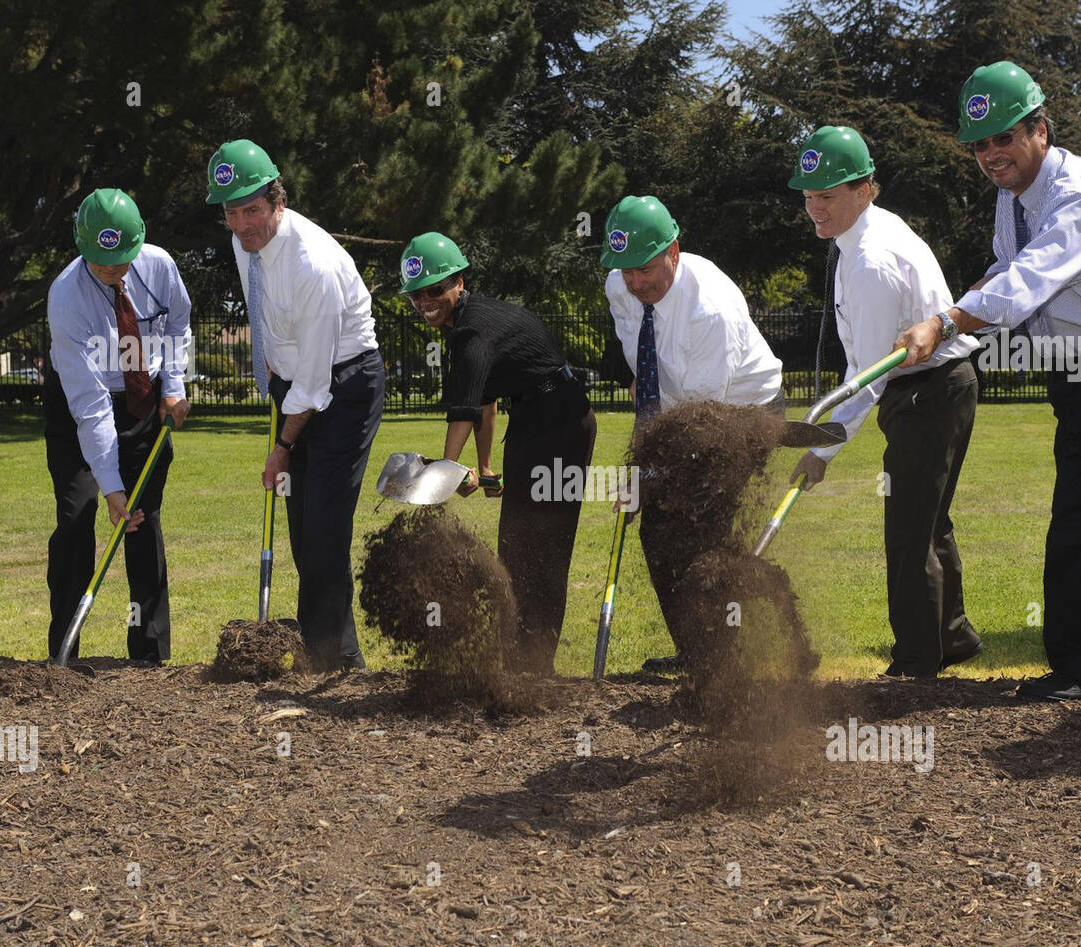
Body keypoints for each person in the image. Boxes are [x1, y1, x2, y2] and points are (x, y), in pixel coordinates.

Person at [896, 62, 1081, 702]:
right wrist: (942, 319)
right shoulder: (1014, 198)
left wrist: (941, 325)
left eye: (1003, 138)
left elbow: (1025, 286)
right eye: (978, 145)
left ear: (1040, 130)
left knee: (1080, 519)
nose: (990, 155)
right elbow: (1006, 268)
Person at [790, 126, 983, 679]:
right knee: (928, 520)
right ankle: (953, 637)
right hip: (937, 387)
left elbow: (867, 376)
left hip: (927, 392)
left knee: (908, 531)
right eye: (808, 196)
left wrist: (821, 452)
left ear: (864, 189)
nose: (814, 210)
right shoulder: (867, 234)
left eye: (826, 196)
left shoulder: (871, 260)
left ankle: (917, 662)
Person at [207, 139, 385, 671]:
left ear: (277, 202)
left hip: (344, 384)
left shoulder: (315, 265)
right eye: (232, 212)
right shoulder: (246, 243)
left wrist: (281, 447)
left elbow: (315, 381)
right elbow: (260, 301)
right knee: (303, 528)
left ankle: (336, 661)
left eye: (253, 210)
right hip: (295, 379)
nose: (242, 224)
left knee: (325, 525)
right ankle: (322, 645)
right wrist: (266, 354)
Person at [600, 194, 785, 672]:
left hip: (738, 414)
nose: (636, 282)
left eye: (645, 268)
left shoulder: (710, 312)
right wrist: (641, 466)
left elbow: (701, 424)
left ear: (674, 251)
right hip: (676, 410)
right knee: (659, 532)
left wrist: (648, 475)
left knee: (702, 527)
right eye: (626, 271)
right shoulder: (620, 286)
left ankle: (729, 656)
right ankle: (697, 652)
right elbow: (644, 370)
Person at [398, 233, 597, 674]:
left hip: (560, 425)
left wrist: (445, 471)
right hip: (533, 420)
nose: (425, 302)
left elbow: (464, 410)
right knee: (518, 542)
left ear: (459, 283)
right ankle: (520, 656)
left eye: (435, 290)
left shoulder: (473, 332)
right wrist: (484, 467)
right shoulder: (466, 325)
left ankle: (533, 665)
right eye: (416, 295)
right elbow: (486, 401)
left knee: (540, 544)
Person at [45, 188, 190, 663]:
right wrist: (110, 486)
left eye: (123, 258)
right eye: (102, 261)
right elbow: (89, 406)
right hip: (79, 403)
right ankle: (63, 658)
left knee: (143, 518)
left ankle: (148, 655)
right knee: (78, 514)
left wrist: (173, 383)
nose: (114, 269)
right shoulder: (67, 297)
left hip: (143, 397)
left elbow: (177, 325)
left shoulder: (160, 266)